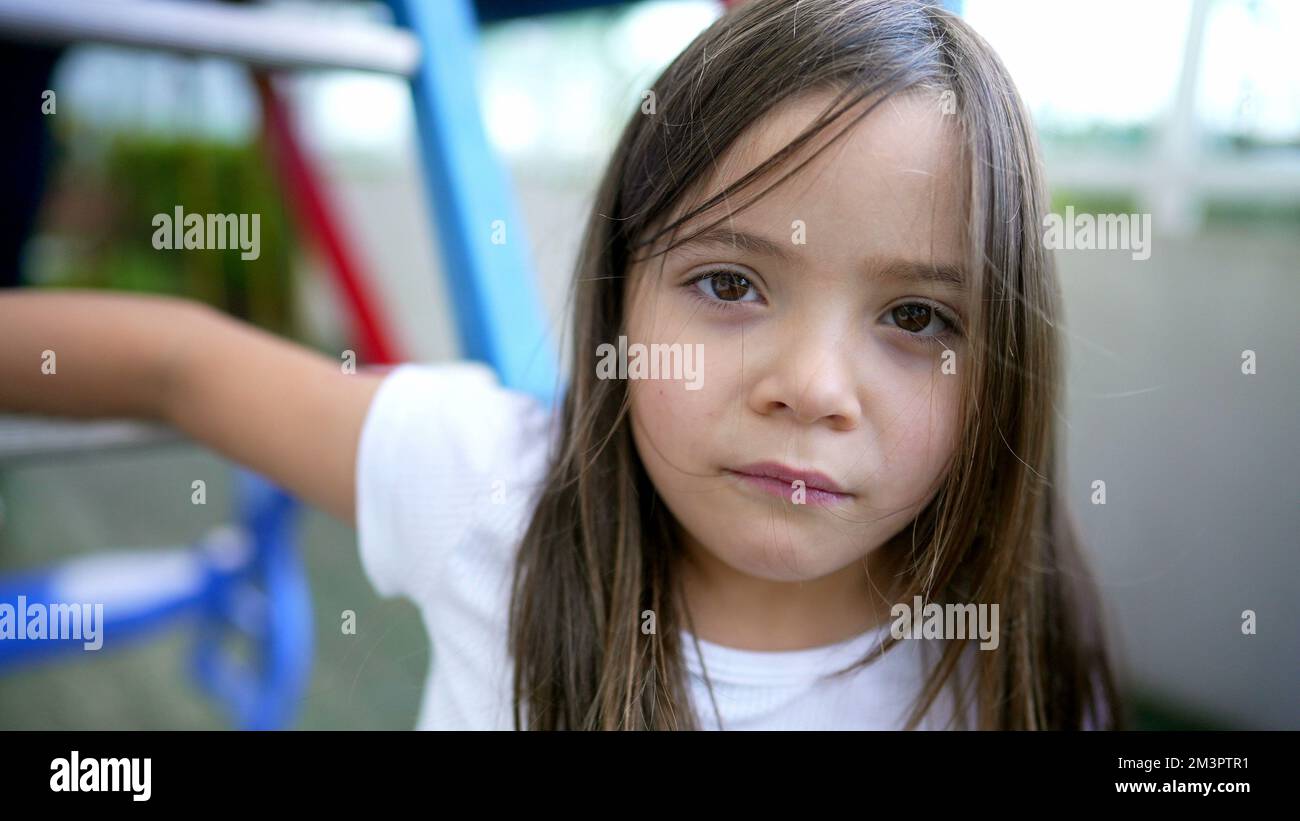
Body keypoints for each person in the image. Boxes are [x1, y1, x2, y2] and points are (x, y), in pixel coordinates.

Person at [0, 0, 1120, 730]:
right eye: (730, 284)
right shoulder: (491, 485)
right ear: (616, 291)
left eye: (917, 315)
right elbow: (177, 366)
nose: (813, 387)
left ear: (1005, 367)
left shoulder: (1018, 654)